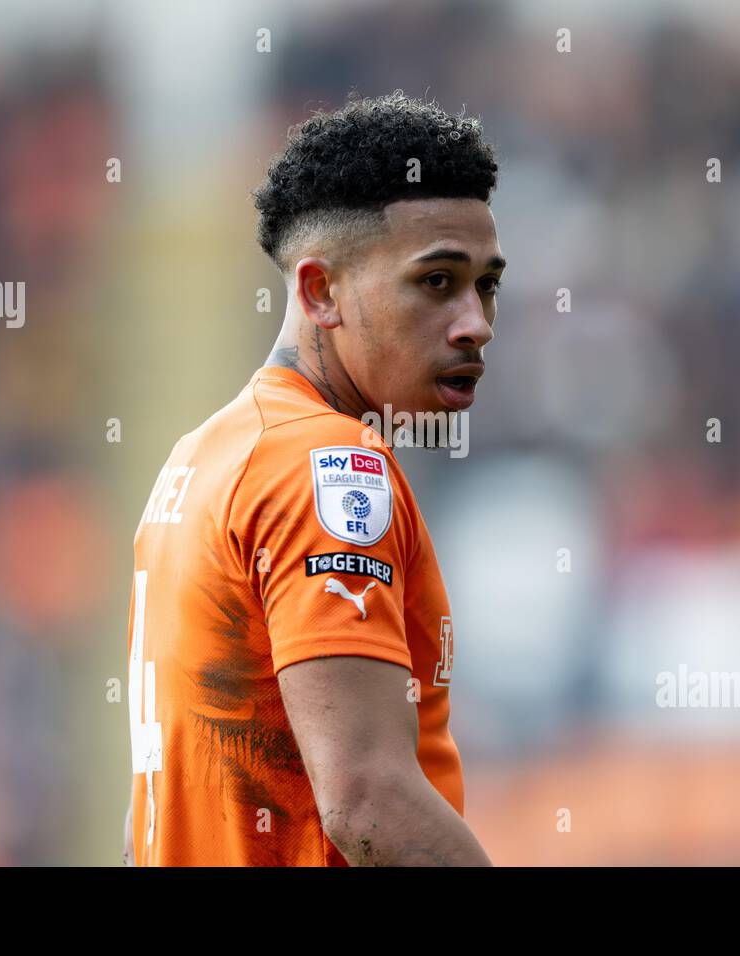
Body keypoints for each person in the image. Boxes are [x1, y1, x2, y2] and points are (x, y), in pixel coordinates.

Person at [123, 91, 505, 865]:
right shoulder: (330, 467)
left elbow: (146, 830)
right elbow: (367, 801)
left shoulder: (199, 458)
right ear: (319, 291)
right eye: (436, 282)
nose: (476, 322)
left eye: (485, 283)